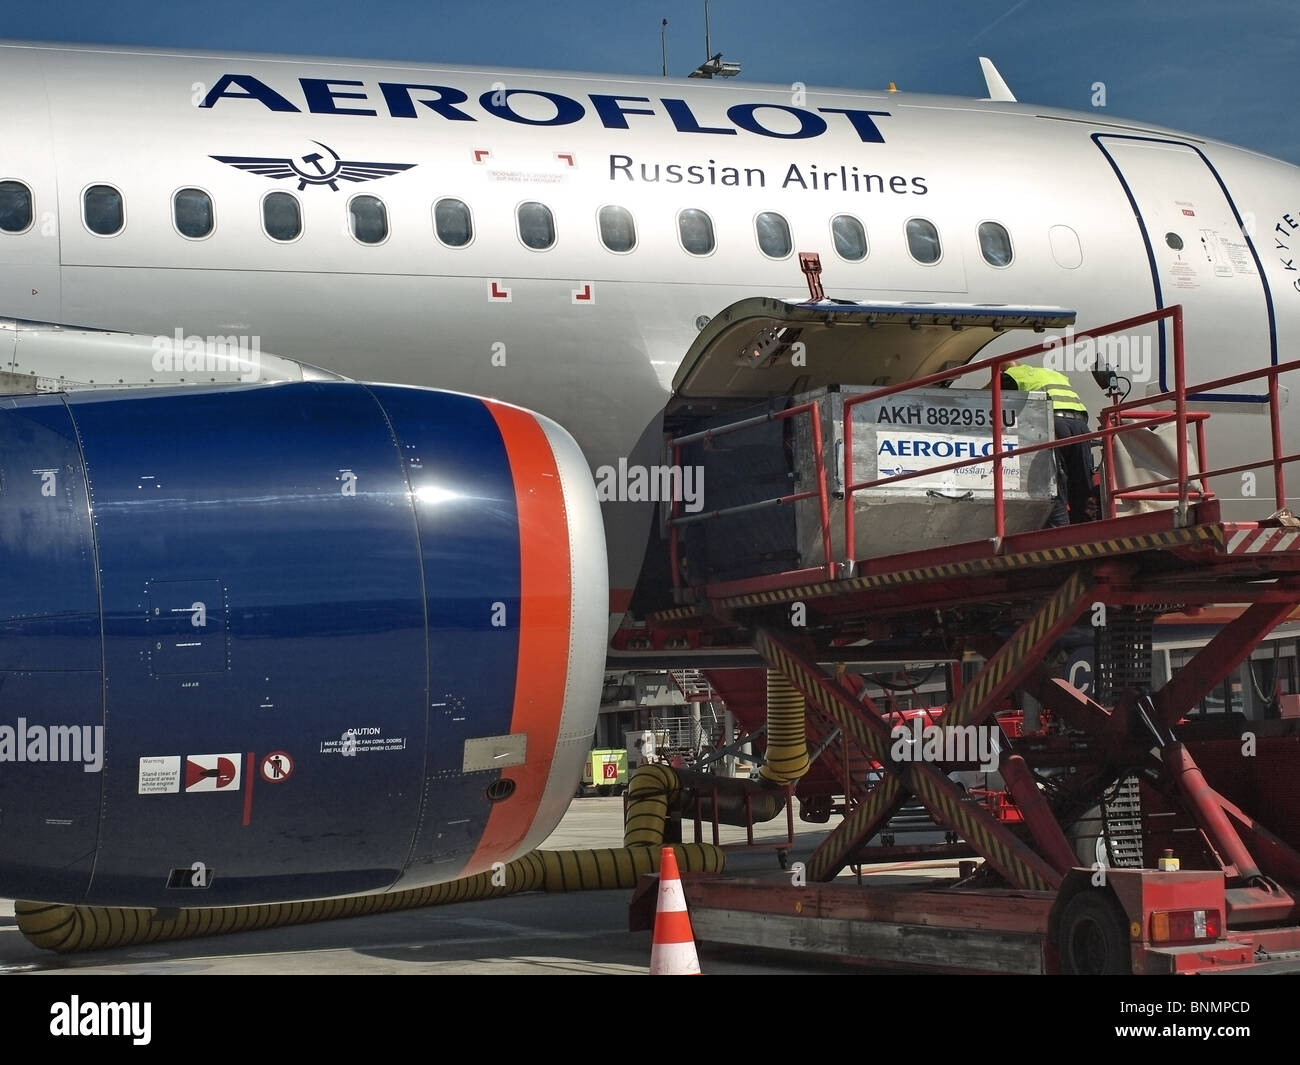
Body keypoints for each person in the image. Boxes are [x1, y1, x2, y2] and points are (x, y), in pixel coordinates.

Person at [996, 360, 1095, 526]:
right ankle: (1086, 526)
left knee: (1053, 482)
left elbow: (984, 396)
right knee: (1082, 480)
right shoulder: (1051, 373)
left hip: (1054, 424)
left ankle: (1059, 530)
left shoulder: (1011, 376)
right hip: (1080, 425)